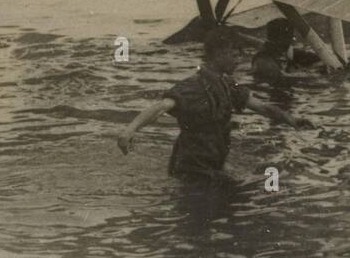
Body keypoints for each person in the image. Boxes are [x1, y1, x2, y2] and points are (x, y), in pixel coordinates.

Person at [116, 26, 308, 178]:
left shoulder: (228, 84)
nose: (240, 61)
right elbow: (161, 107)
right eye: (235, 55)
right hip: (192, 169)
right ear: (219, 54)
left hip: (212, 163)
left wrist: (292, 120)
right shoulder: (193, 85)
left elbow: (262, 107)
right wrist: (129, 131)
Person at [250, 18, 318, 89]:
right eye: (289, 38)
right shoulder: (263, 62)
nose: (291, 41)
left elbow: (315, 58)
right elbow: (282, 78)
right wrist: (311, 75)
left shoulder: (284, 50)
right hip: (273, 88)